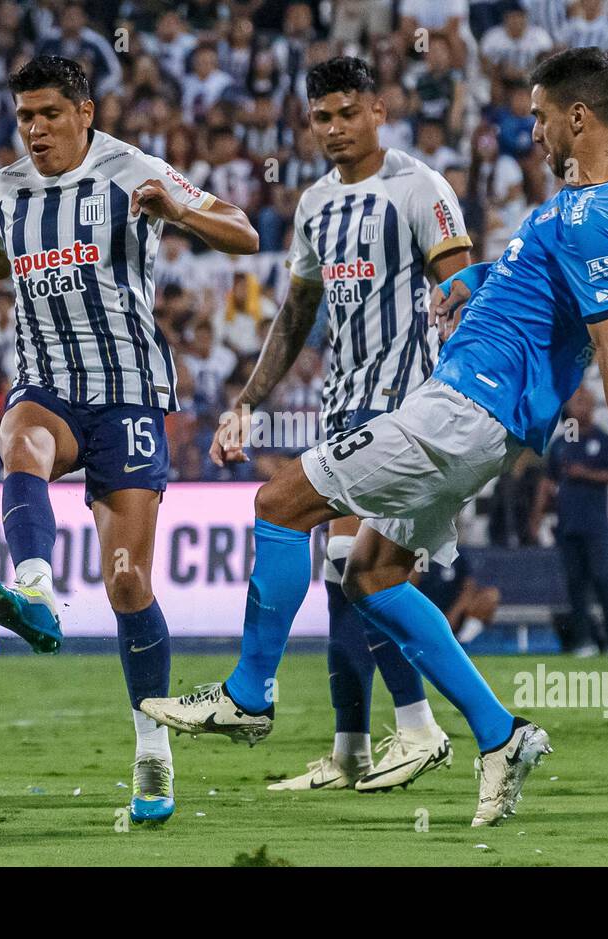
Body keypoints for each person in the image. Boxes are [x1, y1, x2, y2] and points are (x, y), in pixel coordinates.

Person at [141, 48, 608, 827]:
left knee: (279, 502)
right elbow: (540, 284)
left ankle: (249, 694)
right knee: (373, 575)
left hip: (461, 408)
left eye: (538, 115)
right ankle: (501, 735)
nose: (531, 129)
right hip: (470, 412)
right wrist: (477, 279)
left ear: (578, 118)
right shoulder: (586, 207)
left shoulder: (595, 215)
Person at [0, 56, 258, 826]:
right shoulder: (8, 188)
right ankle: (33, 587)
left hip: (127, 395)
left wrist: (179, 211)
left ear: (85, 113)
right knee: (17, 438)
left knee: (128, 585)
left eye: (49, 115)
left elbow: (244, 230)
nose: (34, 129)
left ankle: (150, 745)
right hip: (48, 386)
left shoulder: (133, 170)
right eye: (24, 115)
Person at [213, 56, 472, 795]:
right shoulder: (315, 205)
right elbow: (297, 315)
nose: (334, 129)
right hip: (341, 406)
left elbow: (460, 289)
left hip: (404, 407)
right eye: (322, 117)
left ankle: (420, 725)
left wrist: (457, 395)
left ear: (378, 110)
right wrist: (247, 404)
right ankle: (353, 748)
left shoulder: (418, 188)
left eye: (348, 113)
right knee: (341, 580)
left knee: (361, 573)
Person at [538, 383, 608, 657]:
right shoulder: (561, 443)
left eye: (586, 401)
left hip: (596, 524)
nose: (582, 405)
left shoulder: (604, 439)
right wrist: (538, 514)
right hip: (568, 524)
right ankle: (584, 640)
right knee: (575, 583)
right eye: (577, 401)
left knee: (603, 579)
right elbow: (548, 481)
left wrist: (583, 473)